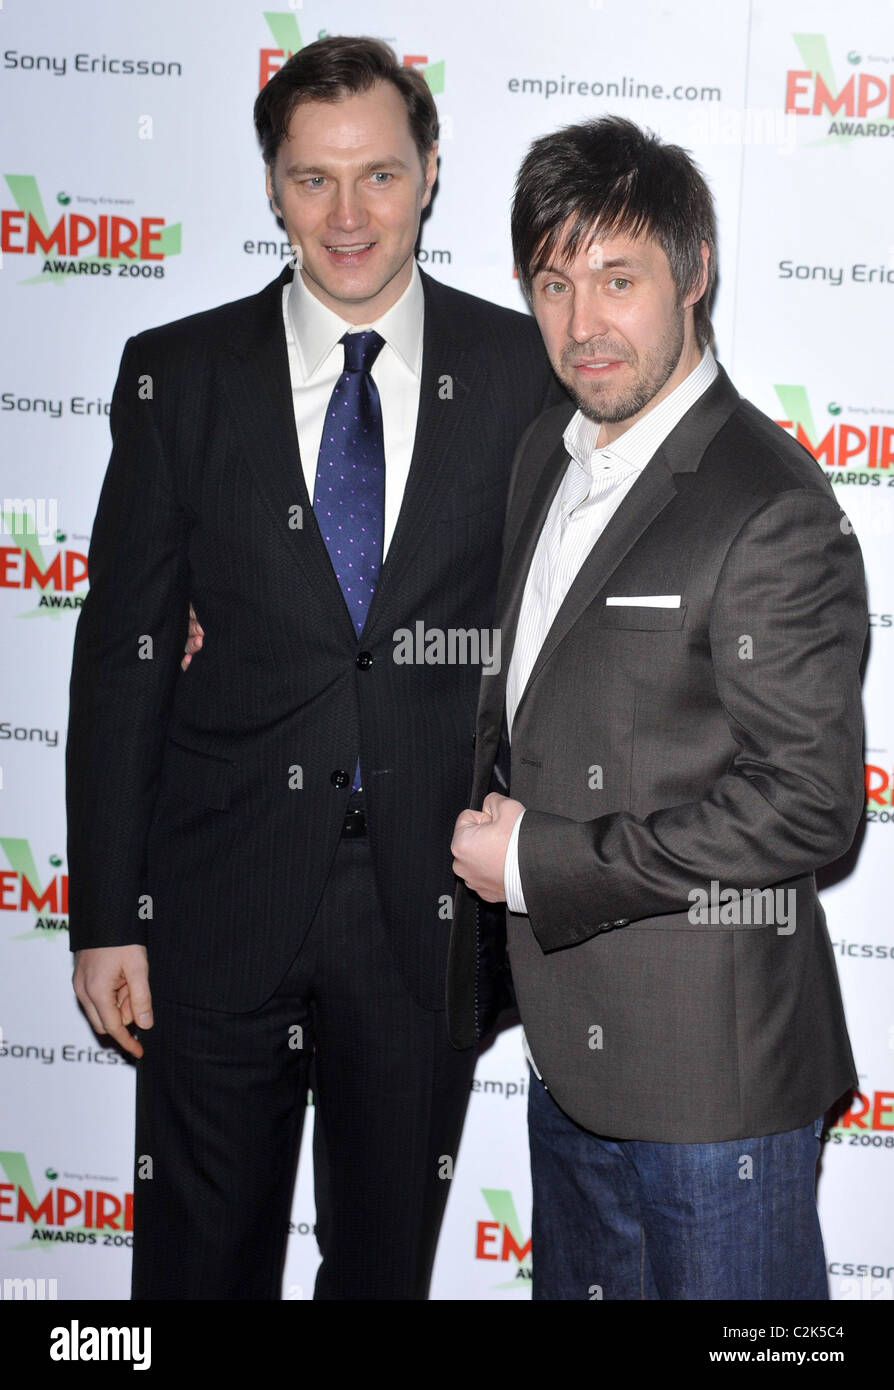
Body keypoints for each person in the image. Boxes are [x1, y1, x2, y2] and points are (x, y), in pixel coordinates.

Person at [66, 35, 560, 1300]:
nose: (349, 216)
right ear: (272, 184)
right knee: (194, 1268)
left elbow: (566, 624)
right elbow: (120, 661)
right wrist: (107, 914)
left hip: (427, 912)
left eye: (380, 176)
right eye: (314, 179)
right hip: (216, 907)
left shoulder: (520, 378)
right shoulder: (177, 377)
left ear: (432, 172)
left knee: (383, 1272)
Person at [448, 115, 867, 1301]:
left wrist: (546, 862)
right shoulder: (547, 450)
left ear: (695, 274)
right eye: (554, 283)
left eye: (618, 279)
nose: (584, 324)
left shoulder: (765, 500)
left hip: (713, 1092)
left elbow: (810, 807)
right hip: (569, 1055)